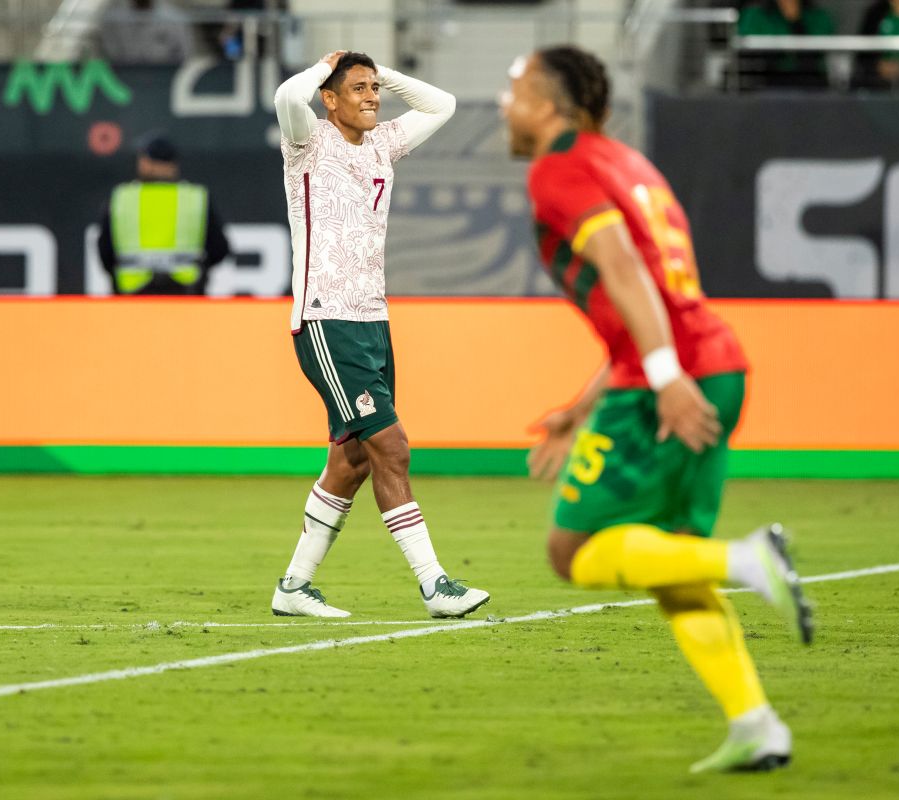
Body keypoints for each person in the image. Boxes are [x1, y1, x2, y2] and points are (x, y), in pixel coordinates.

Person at [501, 45, 814, 773]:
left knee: (573, 551)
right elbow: (651, 295)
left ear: (546, 105)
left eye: (513, 92)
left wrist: (666, 377)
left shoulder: (558, 169)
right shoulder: (628, 164)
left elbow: (621, 268)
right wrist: (584, 406)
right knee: (669, 564)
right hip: (712, 365)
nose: (504, 107)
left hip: (669, 380)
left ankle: (748, 558)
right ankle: (756, 725)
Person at [270, 51, 490, 619]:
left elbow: (442, 105)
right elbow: (287, 97)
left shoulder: (383, 143)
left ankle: (294, 587)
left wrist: (377, 72)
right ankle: (434, 585)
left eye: (376, 89)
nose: (372, 97)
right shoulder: (307, 142)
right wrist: (327, 66)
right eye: (359, 89)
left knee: (353, 462)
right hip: (326, 321)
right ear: (330, 98)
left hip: (373, 321)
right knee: (391, 447)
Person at [97, 132, 231, 296]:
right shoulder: (195, 197)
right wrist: (199, 271)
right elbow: (219, 249)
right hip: (185, 294)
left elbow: (105, 251)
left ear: (147, 162)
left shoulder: (122, 197)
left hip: (132, 296)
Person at [735, 0, 836, 88]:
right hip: (766, 85)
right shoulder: (754, 15)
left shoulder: (818, 16)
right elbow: (751, 55)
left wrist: (795, 21)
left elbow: (816, 54)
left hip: (811, 85)